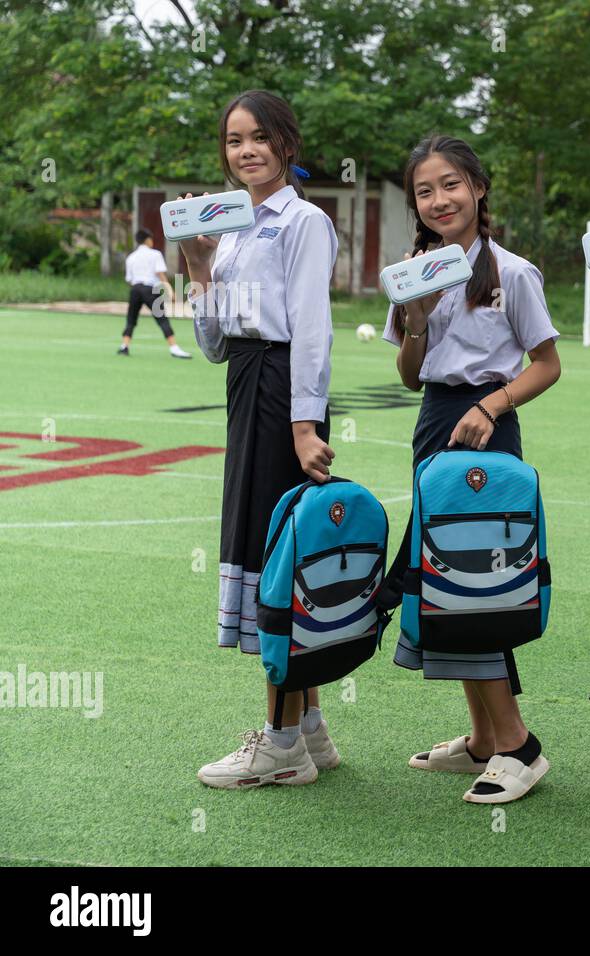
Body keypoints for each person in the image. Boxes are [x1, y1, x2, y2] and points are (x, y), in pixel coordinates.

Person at [385, 134, 561, 805]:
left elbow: (547, 364)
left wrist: (491, 404)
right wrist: (419, 319)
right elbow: (408, 374)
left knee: (477, 584)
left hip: (489, 430)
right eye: (425, 191)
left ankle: (519, 746)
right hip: (434, 422)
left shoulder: (512, 272)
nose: (439, 200)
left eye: (451, 184)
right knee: (443, 580)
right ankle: (484, 739)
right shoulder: (413, 271)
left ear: (479, 188)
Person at [185, 90, 340, 789]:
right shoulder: (234, 230)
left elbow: (310, 326)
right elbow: (215, 345)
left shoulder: (303, 221)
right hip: (245, 384)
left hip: (283, 394)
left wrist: (304, 425)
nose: (244, 151)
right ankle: (308, 729)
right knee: (265, 547)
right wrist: (198, 271)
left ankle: (278, 746)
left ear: (285, 142)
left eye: (257, 138)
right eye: (232, 140)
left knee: (276, 557)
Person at [119, 228, 190, 358]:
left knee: (131, 319)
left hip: (135, 289)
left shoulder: (131, 257)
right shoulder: (155, 254)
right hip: (150, 289)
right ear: (147, 240)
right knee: (162, 318)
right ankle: (174, 348)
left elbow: (129, 279)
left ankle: (124, 346)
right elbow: (160, 274)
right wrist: (170, 291)